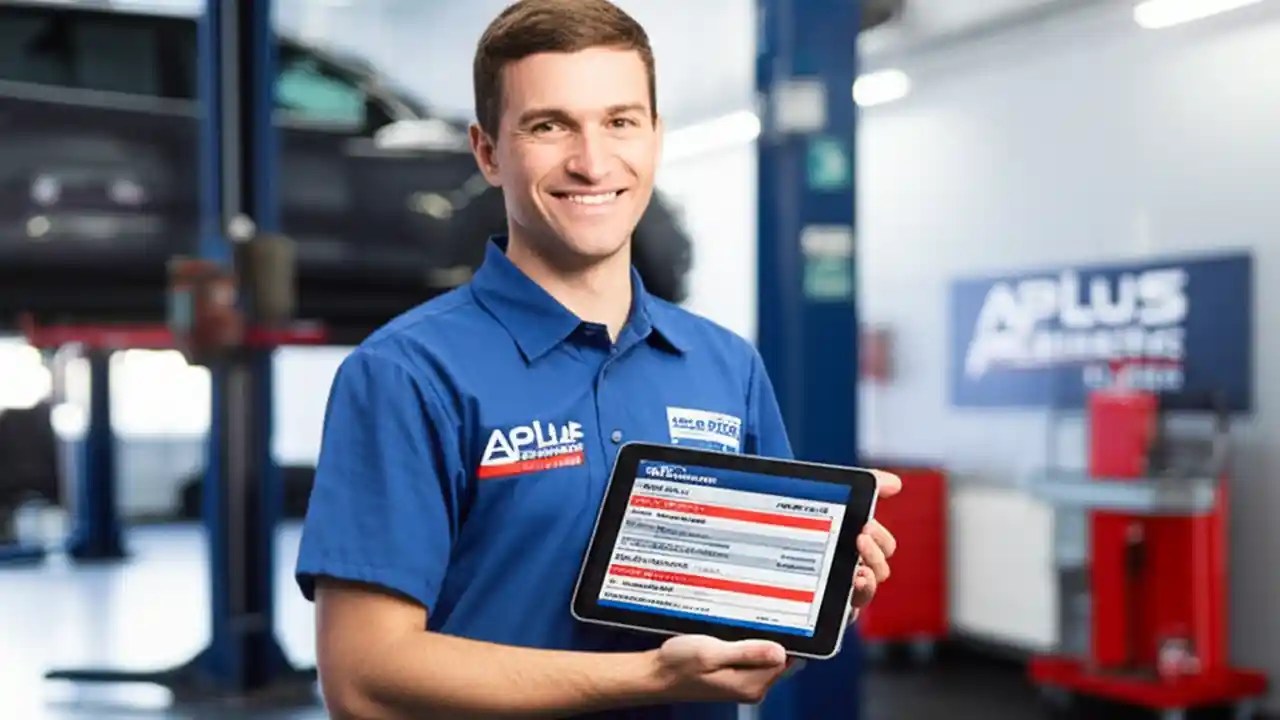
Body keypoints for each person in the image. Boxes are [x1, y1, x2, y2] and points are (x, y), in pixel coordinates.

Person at [294, 1, 900, 718]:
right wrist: (651, 678)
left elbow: (758, 648)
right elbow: (364, 680)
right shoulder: (406, 374)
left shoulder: (725, 365)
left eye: (620, 122)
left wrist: (817, 593)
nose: (592, 162)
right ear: (488, 152)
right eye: (549, 126)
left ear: (654, 138)